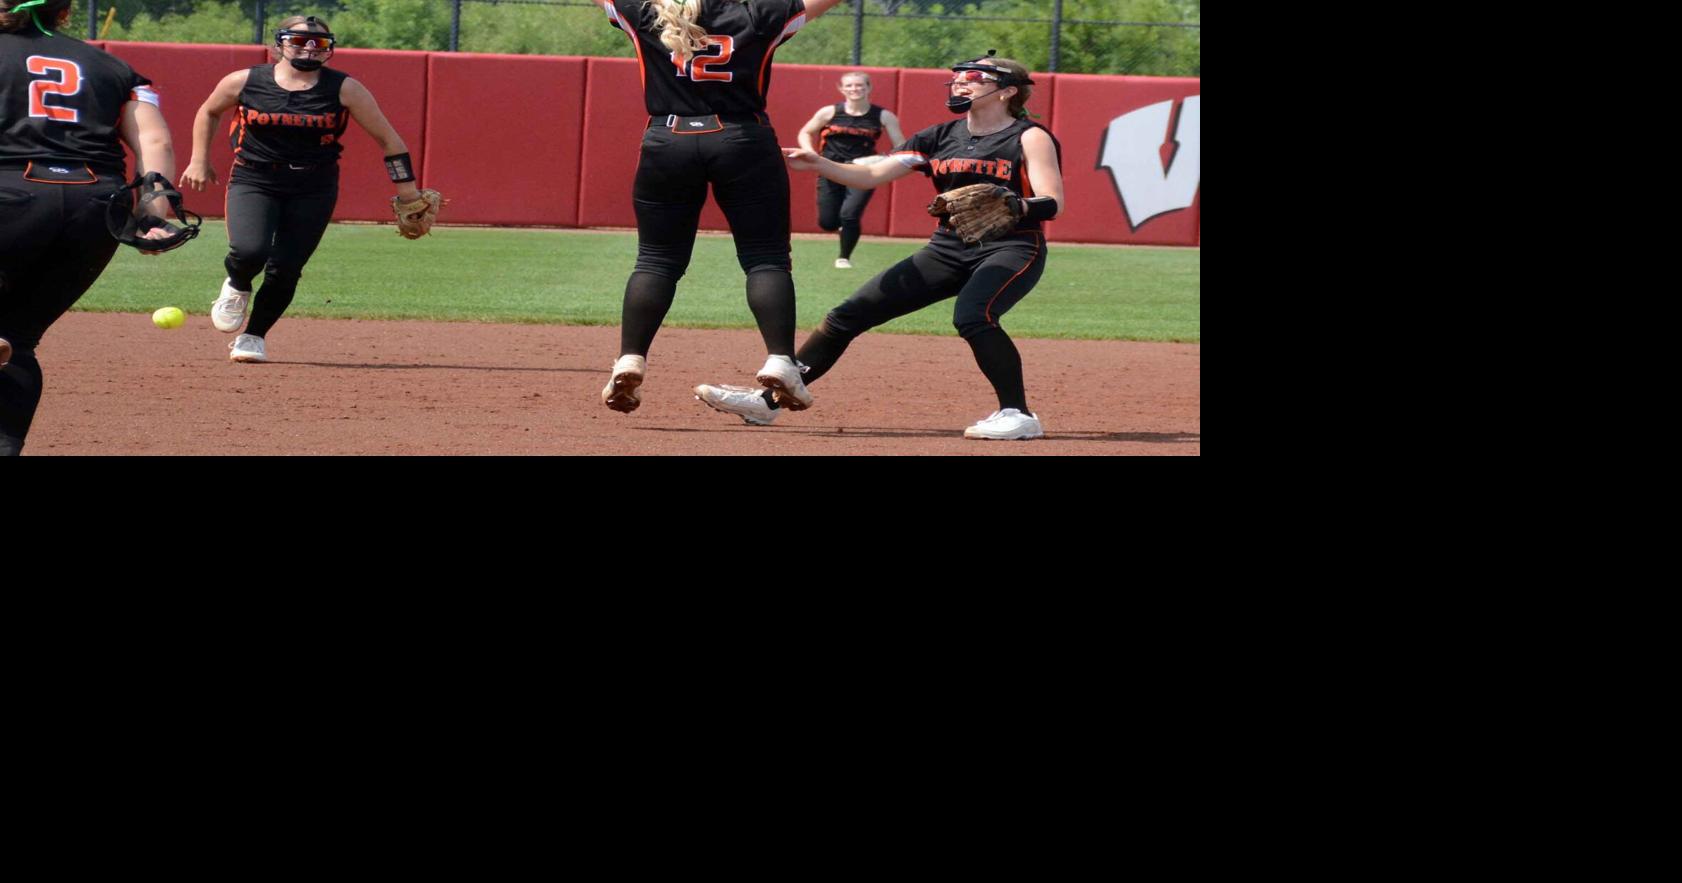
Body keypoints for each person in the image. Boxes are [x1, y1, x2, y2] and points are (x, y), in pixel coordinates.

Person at [695, 53, 1065, 440]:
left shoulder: (1029, 136)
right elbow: (871, 174)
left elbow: (1052, 201)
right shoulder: (938, 137)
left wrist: (1016, 204)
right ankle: (767, 403)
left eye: (973, 76)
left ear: (1006, 90)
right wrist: (820, 164)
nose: (960, 82)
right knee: (846, 316)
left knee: (973, 315)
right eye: (956, 77)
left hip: (1012, 246)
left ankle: (1018, 414)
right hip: (947, 248)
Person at [595, 0, 846, 415]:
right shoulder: (762, 12)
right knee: (766, 260)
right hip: (741, 137)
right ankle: (781, 360)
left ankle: (629, 358)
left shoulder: (645, 11)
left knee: (656, 261)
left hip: (667, 138)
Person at [180, 14, 429, 363]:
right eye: (298, 41)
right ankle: (237, 284)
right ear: (279, 43)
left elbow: (389, 140)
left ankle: (253, 336)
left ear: (329, 50)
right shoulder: (246, 80)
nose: (309, 49)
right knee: (250, 251)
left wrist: (408, 191)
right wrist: (198, 159)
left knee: (286, 267)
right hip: (255, 177)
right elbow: (208, 111)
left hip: (314, 184)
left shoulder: (344, 88)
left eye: (320, 44)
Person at [1, 0, 182, 455]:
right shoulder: (113, 66)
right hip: (96, 207)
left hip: (8, 195)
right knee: (17, 341)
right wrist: (155, 213)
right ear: (64, 14)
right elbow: (154, 140)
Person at [796, 71, 903, 269]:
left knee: (850, 214)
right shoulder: (829, 112)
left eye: (860, 85)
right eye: (850, 85)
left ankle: (843, 257)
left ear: (869, 88)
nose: (855, 89)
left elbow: (901, 146)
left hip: (863, 171)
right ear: (841, 88)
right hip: (830, 168)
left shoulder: (884, 116)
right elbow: (806, 132)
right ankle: (841, 229)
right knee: (827, 222)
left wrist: (882, 159)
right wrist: (810, 153)